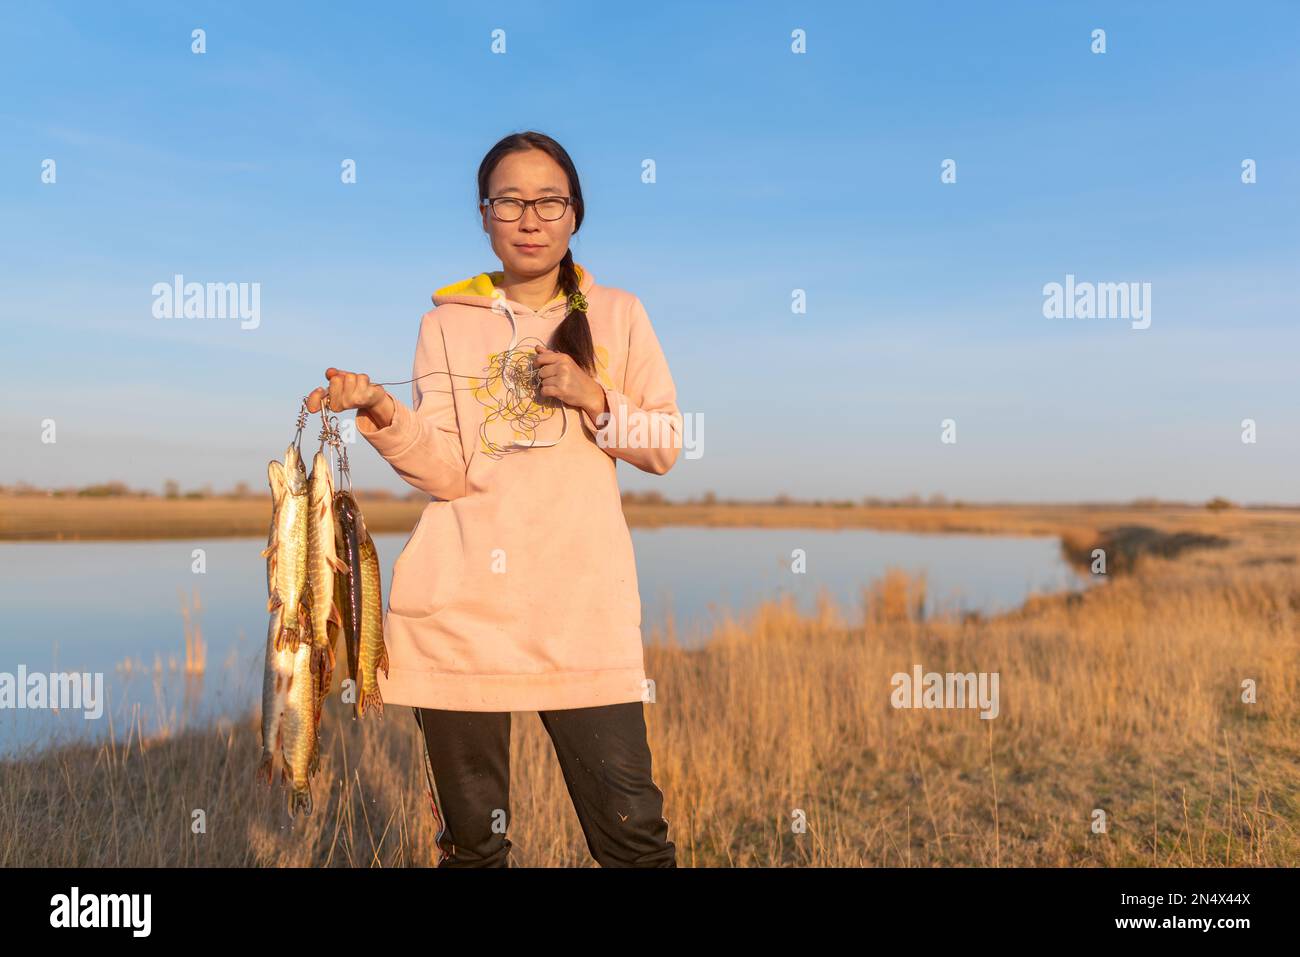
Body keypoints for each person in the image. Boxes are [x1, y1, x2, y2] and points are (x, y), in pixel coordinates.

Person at [305, 131, 681, 868]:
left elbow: (665, 442)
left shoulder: (619, 314)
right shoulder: (443, 323)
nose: (530, 217)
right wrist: (381, 408)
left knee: (635, 841)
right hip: (459, 619)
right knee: (474, 849)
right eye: (510, 200)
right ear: (484, 215)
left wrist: (593, 394)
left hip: (583, 616)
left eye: (549, 200)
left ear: (575, 214)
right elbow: (444, 470)